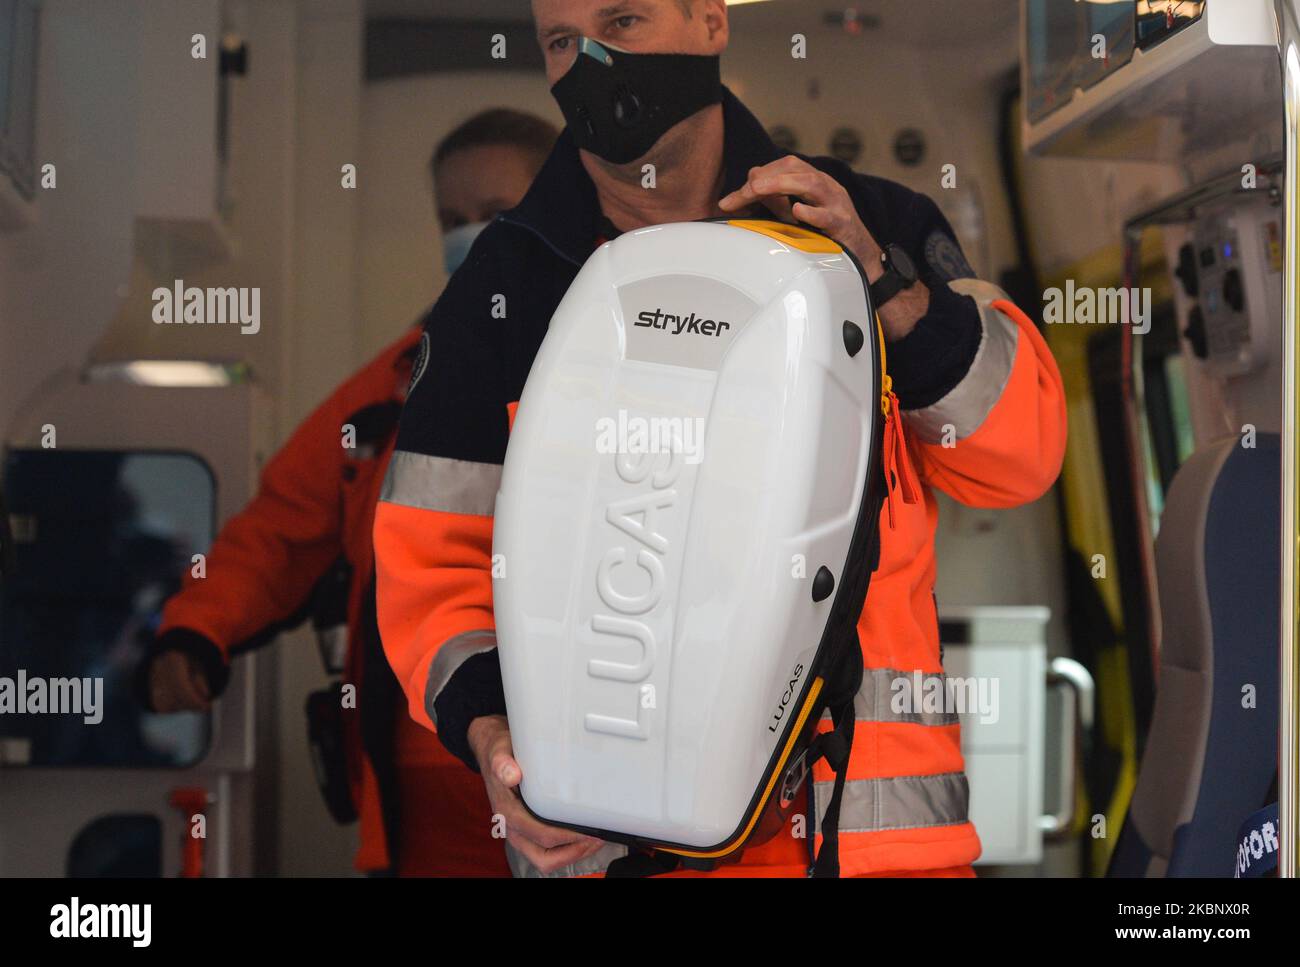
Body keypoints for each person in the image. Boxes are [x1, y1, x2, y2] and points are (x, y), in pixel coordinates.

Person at [374, 0, 1067, 878]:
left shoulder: (872, 220)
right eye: (560, 41)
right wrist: (489, 735)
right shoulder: (504, 289)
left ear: (709, 19)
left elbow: (1023, 456)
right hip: (617, 846)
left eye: (622, 21)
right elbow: (428, 566)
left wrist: (883, 287)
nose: (590, 61)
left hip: (871, 846)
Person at [136, 108, 559, 876]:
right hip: (425, 787)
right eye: (450, 219)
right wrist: (195, 629)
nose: (471, 237)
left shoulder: (627, 356)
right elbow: (279, 530)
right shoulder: (393, 390)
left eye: (495, 214)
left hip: (584, 776)